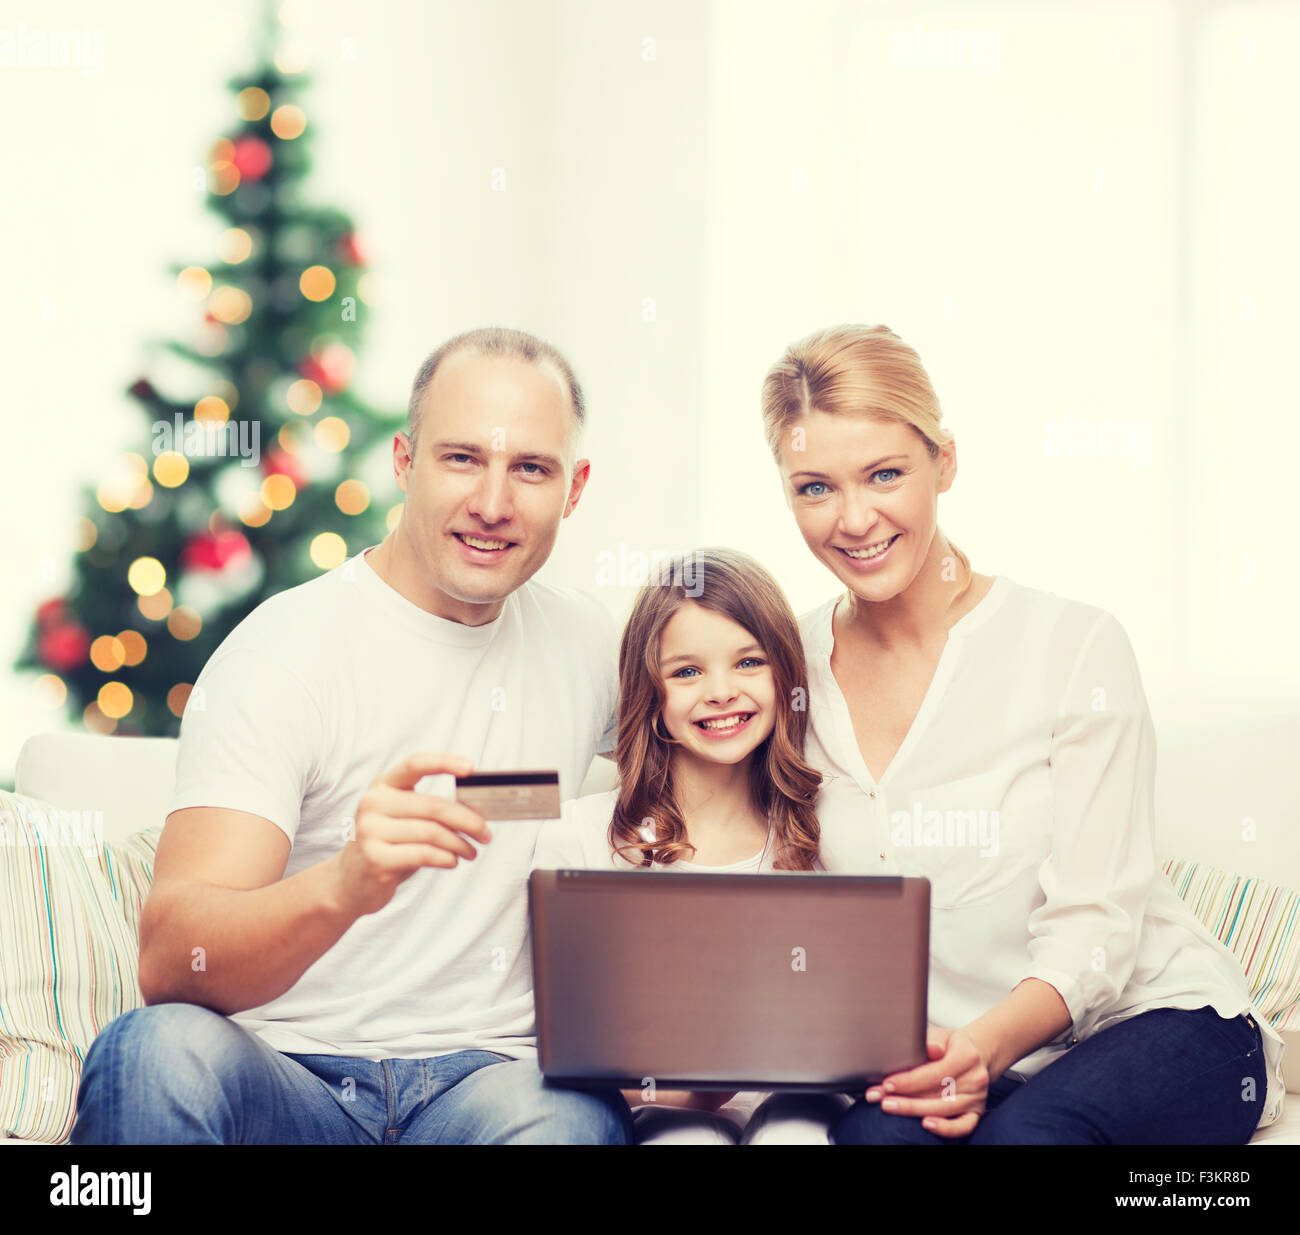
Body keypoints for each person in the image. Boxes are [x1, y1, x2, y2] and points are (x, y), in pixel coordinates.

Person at [70, 327, 633, 1146]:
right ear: (403, 461)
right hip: (290, 1075)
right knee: (152, 1051)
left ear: (575, 488)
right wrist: (346, 884)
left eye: (531, 469)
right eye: (462, 459)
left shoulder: (590, 645)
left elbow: (732, 771)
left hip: (495, 1084)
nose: (493, 503)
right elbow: (170, 957)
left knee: (567, 1122)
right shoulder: (284, 652)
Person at [756, 322, 1286, 1144]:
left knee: (1028, 1141)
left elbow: (1098, 925)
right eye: (814, 487)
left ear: (946, 461)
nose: (853, 518)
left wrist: (984, 1050)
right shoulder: (781, 668)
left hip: (1152, 1022)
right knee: (868, 1141)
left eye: (885, 474)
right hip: (944, 1053)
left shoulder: (1074, 646)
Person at [532, 546, 843, 1144]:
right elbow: (573, 1048)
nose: (721, 692)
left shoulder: (820, 834)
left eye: (748, 661)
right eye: (687, 671)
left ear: (785, 676)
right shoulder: (580, 839)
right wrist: (706, 1083)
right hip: (660, 1113)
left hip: (801, 1101)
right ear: (650, 698)